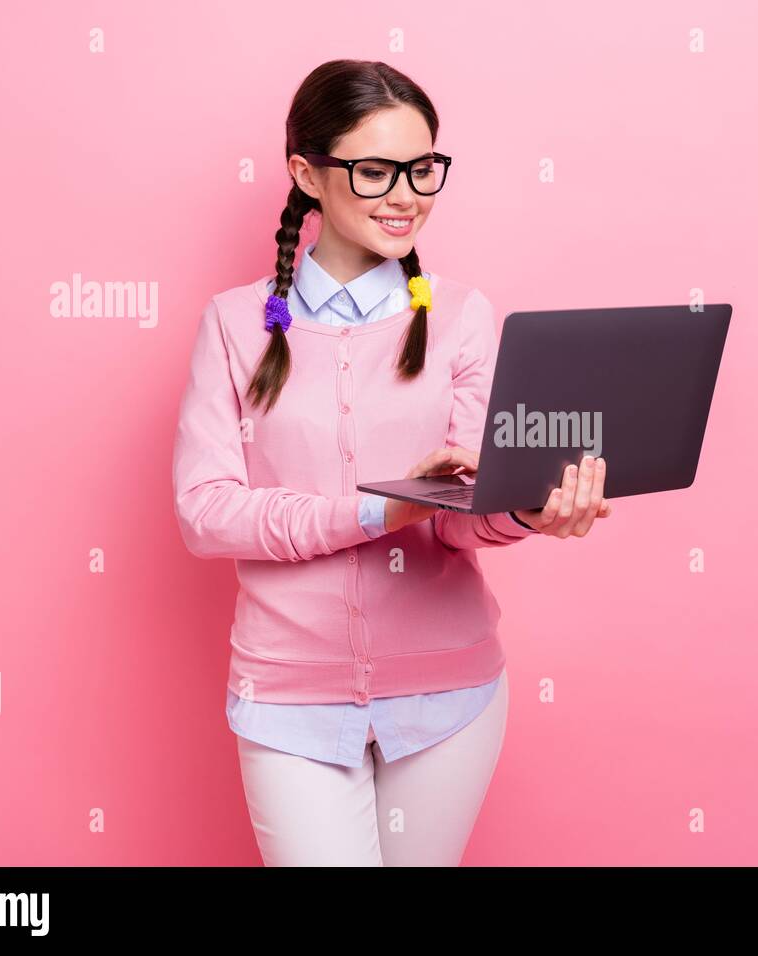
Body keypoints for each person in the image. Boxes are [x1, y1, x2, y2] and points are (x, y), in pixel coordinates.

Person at [171, 59, 610, 866]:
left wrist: (524, 510)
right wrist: (377, 510)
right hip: (288, 698)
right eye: (375, 171)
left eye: (424, 168)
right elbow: (206, 512)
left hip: (451, 696)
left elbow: (459, 524)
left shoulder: (462, 318)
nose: (407, 194)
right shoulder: (235, 324)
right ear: (306, 172)